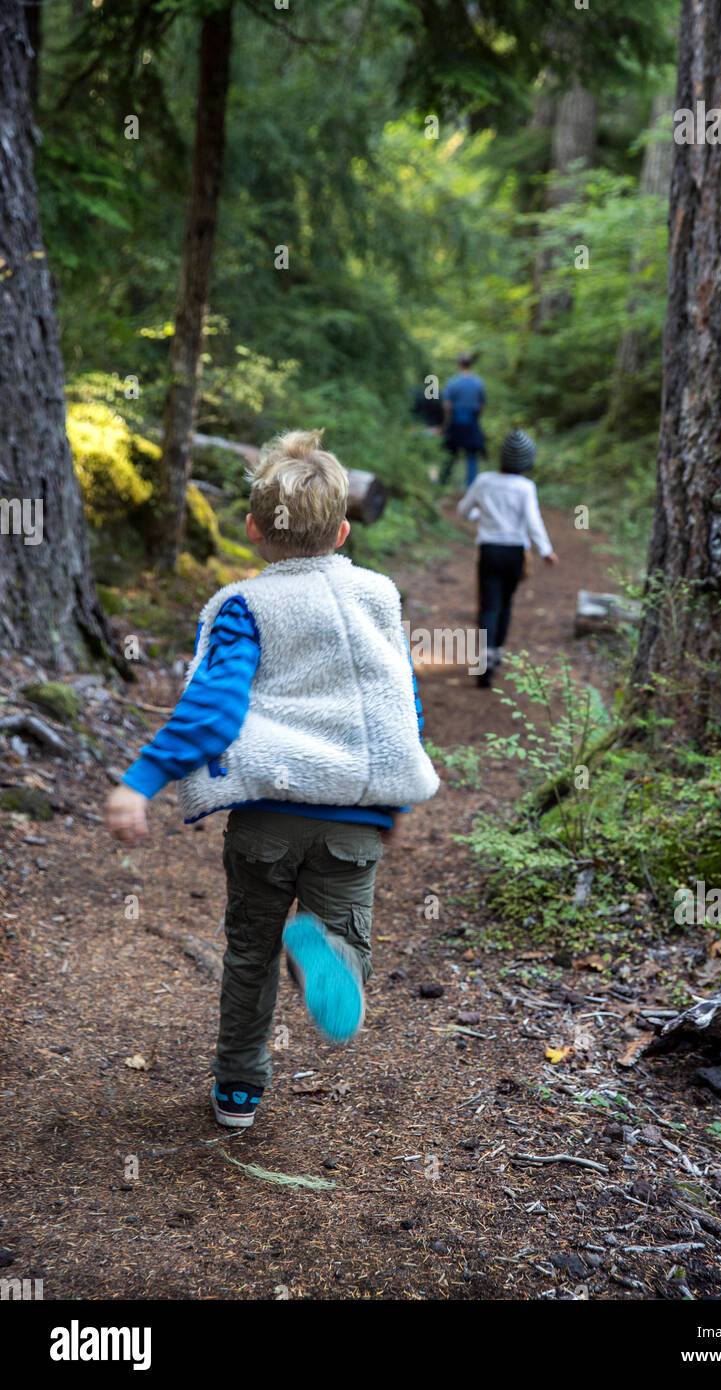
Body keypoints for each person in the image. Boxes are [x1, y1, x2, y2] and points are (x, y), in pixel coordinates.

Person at [105, 430, 439, 1128]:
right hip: (354, 812)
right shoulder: (378, 596)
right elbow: (395, 700)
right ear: (345, 529)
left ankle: (238, 1090)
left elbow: (214, 708)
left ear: (253, 530)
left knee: (249, 951)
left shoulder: (244, 606)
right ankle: (328, 957)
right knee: (347, 933)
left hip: (267, 813)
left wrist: (142, 778)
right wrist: (395, 790)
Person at [457, 428, 559, 687]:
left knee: (488, 605)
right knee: (505, 603)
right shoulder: (526, 487)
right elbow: (533, 521)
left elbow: (463, 509)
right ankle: (496, 653)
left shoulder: (483, 481)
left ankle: (484, 660)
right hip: (515, 552)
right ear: (527, 461)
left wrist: (478, 516)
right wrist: (545, 550)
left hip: (489, 550)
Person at [440, 350, 486, 488]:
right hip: (472, 423)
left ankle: (442, 484)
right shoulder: (478, 383)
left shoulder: (453, 382)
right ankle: (471, 487)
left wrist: (446, 422)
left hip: (455, 422)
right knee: (471, 457)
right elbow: (482, 405)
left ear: (459, 363)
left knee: (450, 455)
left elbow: (447, 405)